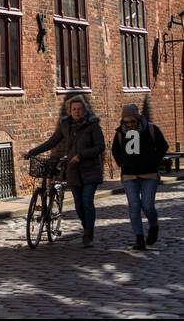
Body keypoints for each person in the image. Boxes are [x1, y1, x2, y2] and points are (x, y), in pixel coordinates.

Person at [25, 94, 105, 247]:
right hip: (73, 171)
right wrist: (31, 152)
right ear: (70, 111)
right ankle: (88, 227)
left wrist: (81, 156)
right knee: (78, 205)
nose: (77, 112)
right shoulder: (65, 126)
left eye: (80, 109)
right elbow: (52, 142)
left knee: (87, 201)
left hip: (90, 169)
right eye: (74, 109)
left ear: (84, 111)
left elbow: (100, 147)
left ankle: (88, 235)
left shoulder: (93, 126)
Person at [111, 103, 167, 250]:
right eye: (126, 122)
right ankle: (139, 238)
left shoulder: (150, 129)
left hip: (149, 174)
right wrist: (122, 163)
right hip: (129, 176)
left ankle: (154, 226)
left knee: (148, 205)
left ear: (138, 118)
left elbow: (163, 146)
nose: (130, 124)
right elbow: (115, 150)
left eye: (132, 121)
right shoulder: (120, 133)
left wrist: (153, 161)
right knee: (134, 206)